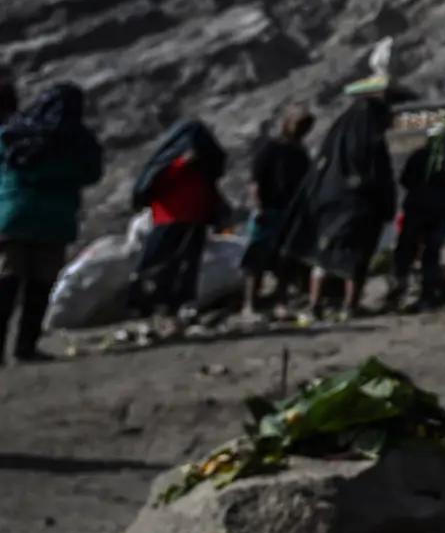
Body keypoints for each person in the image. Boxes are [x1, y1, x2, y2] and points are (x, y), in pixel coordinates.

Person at [0, 84, 104, 364]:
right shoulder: (79, 140)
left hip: (14, 216)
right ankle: (26, 348)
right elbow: (93, 172)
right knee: (40, 286)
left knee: (7, 282)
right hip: (55, 220)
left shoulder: (15, 132)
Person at [289, 96, 397, 317]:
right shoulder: (371, 141)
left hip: (327, 203)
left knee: (323, 255)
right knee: (356, 257)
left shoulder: (336, 137)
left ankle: (314, 304)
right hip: (359, 206)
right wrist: (386, 204)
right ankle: (350, 305)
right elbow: (380, 177)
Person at [128, 118, 227, 320]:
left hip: (194, 218)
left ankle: (178, 305)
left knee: (187, 265)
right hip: (169, 218)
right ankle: (146, 304)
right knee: (157, 264)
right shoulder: (170, 162)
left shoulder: (205, 166)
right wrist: (182, 164)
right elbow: (154, 183)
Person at [241, 107, 314, 318]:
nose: (303, 130)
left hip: (290, 211)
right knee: (256, 258)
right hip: (269, 210)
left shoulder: (300, 151)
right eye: (299, 125)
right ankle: (250, 304)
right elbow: (256, 180)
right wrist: (258, 207)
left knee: (286, 258)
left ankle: (280, 302)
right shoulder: (270, 148)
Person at [393, 119, 445, 313]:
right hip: (441, 211)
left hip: (416, 208)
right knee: (432, 254)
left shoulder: (419, 156)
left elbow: (405, 179)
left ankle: (399, 293)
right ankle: (427, 294)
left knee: (406, 251)